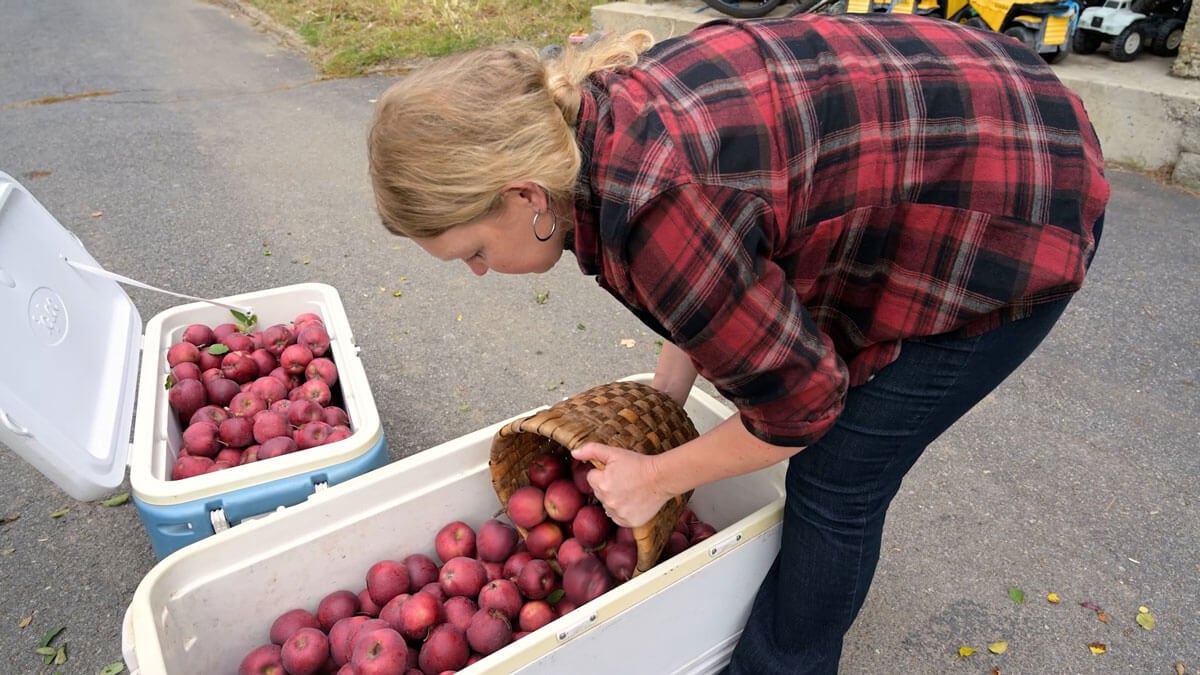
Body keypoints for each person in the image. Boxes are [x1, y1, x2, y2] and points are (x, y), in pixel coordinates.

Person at [366, 13, 1109, 674]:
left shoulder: (655, 208)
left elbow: (801, 407)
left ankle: (783, 662)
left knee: (839, 473)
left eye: (471, 250)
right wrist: (665, 399)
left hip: (1023, 184)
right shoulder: (597, 131)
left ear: (526, 197)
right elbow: (716, 273)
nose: (474, 272)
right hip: (960, 109)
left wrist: (657, 477)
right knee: (807, 385)